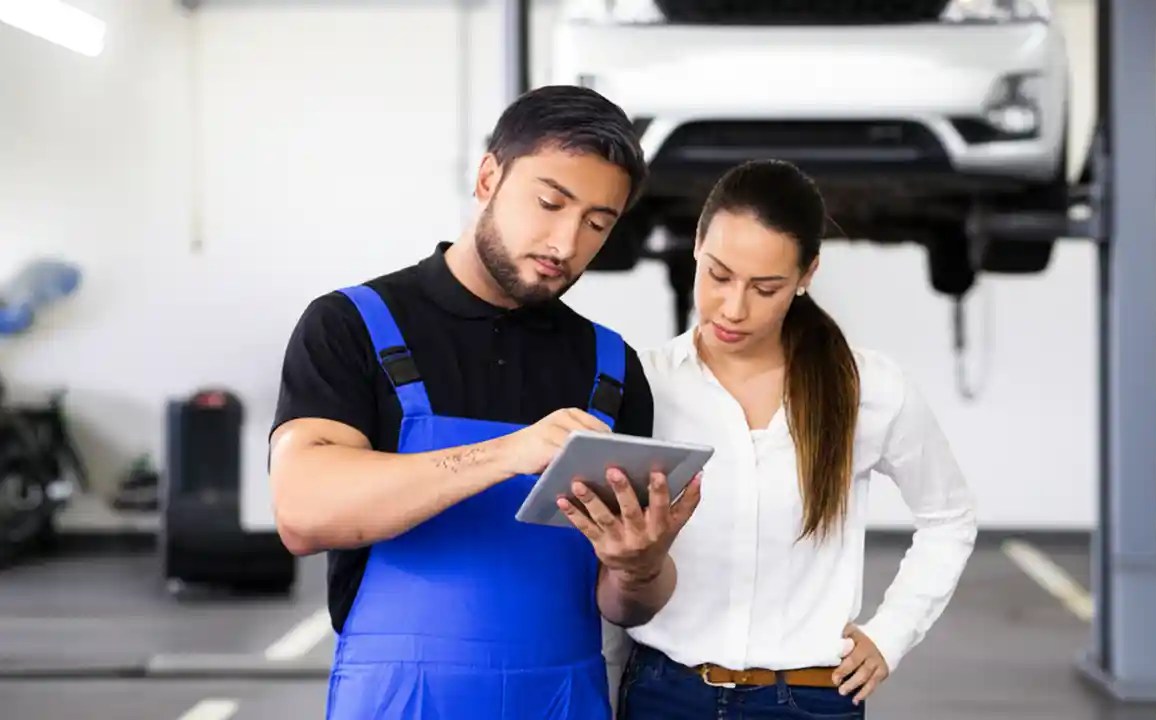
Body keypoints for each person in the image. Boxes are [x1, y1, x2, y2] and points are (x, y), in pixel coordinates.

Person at [267, 85, 701, 720]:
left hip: (560, 700)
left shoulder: (611, 368)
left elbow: (625, 605)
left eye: (596, 224)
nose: (565, 242)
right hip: (401, 702)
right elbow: (303, 512)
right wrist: (507, 452)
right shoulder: (351, 325)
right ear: (488, 176)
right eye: (550, 202)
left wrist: (637, 566)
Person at [614, 159, 978, 719]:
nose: (734, 308)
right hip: (665, 695)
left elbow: (949, 518)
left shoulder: (869, 388)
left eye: (766, 288)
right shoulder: (647, 384)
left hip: (808, 701)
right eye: (718, 275)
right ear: (695, 246)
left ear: (807, 274)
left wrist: (891, 634)